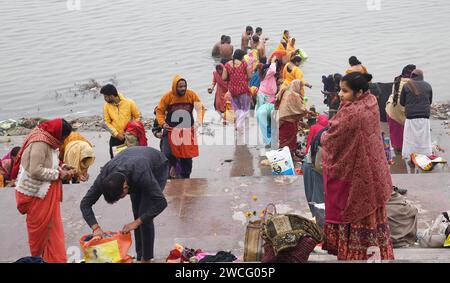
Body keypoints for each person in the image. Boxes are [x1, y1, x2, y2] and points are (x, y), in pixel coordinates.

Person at [321, 72, 394, 261]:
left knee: (356, 210)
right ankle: (374, 254)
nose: (341, 94)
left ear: (359, 92)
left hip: (359, 173)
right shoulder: (371, 103)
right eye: (340, 90)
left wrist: (321, 137)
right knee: (372, 213)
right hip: (374, 170)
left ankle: (355, 255)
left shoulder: (353, 113)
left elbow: (332, 137)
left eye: (345, 91)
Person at [80, 147, 168, 263]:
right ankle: (140, 255)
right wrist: (95, 228)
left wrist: (136, 222)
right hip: (133, 161)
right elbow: (85, 203)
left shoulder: (140, 174)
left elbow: (161, 202)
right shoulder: (104, 178)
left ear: (126, 187)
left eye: (122, 196)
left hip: (157, 166)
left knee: (143, 214)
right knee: (138, 213)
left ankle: (146, 258)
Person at [11, 119, 76, 263]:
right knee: (41, 231)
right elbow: (35, 170)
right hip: (35, 194)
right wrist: (59, 174)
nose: (63, 140)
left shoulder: (49, 138)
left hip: (45, 192)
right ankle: (41, 258)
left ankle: (55, 258)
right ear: (58, 134)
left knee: (53, 228)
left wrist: (63, 166)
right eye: (63, 137)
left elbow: (51, 161)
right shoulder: (40, 143)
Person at [156, 75, 204, 179]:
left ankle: (185, 177)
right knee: (167, 153)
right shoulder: (167, 97)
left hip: (187, 130)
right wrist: (163, 124)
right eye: (180, 86)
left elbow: (200, 109)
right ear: (174, 87)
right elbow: (159, 111)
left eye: (184, 86)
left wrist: (198, 122)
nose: (183, 88)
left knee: (186, 158)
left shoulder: (191, 95)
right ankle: (176, 168)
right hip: (170, 129)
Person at [101, 84, 141, 159]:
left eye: (105, 96)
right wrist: (116, 134)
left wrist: (130, 131)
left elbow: (138, 117)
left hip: (130, 137)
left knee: (132, 158)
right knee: (115, 159)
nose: (104, 99)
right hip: (115, 138)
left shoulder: (129, 103)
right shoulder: (106, 106)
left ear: (111, 96)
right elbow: (106, 122)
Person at [400, 69, 433, 159]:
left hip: (411, 116)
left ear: (411, 76)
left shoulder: (406, 86)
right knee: (424, 138)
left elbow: (402, 102)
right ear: (422, 76)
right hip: (424, 116)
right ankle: (426, 153)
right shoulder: (428, 86)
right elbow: (429, 101)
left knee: (410, 138)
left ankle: (409, 154)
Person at [385, 64, 416, 152]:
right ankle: (399, 156)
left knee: (396, 135)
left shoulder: (398, 79)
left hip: (390, 109)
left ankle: (397, 152)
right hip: (398, 112)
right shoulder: (411, 84)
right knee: (399, 139)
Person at [222, 49, 253, 132]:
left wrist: (232, 77)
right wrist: (243, 78)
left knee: (237, 109)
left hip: (232, 90)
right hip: (243, 89)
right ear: (241, 57)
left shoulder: (227, 65)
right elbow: (250, 76)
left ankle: (238, 127)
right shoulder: (243, 64)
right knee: (245, 110)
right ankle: (239, 124)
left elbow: (224, 78)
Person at [275, 80, 307, 155]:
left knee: (284, 137)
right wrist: (307, 112)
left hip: (282, 117)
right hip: (288, 119)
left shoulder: (286, 91)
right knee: (290, 137)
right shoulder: (294, 95)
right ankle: (290, 155)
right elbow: (300, 109)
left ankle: (283, 154)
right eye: (300, 87)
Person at [256, 59, 278, 146]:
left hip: (267, 97)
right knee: (266, 118)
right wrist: (272, 62)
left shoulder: (266, 76)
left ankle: (268, 138)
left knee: (266, 118)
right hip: (265, 97)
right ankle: (268, 139)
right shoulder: (268, 74)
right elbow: (273, 69)